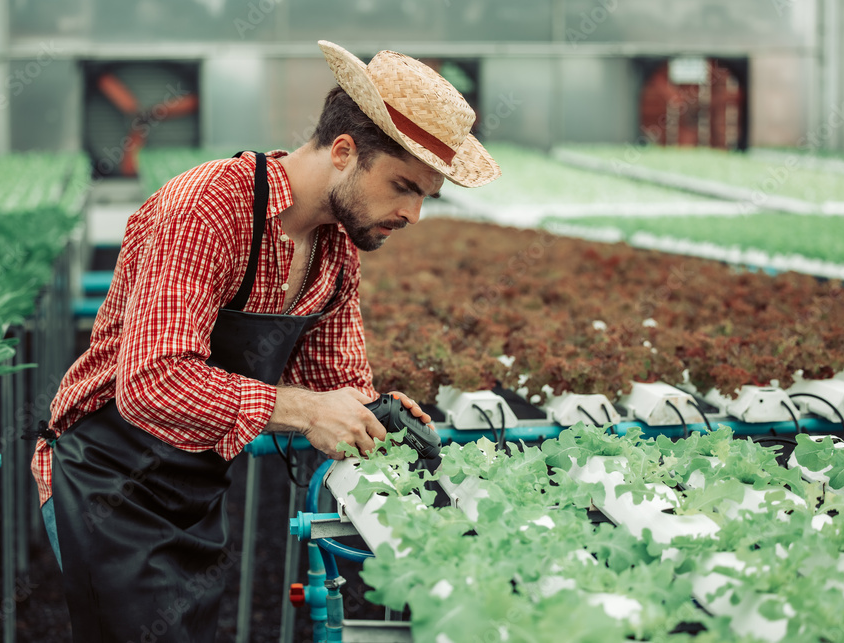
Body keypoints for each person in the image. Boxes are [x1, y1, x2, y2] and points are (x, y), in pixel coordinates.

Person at [29, 39, 500, 642]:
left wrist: (372, 414)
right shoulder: (210, 208)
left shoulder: (334, 249)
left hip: (196, 485)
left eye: (425, 196)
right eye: (403, 186)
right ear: (344, 152)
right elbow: (153, 383)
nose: (414, 214)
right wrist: (307, 411)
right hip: (107, 482)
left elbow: (337, 382)